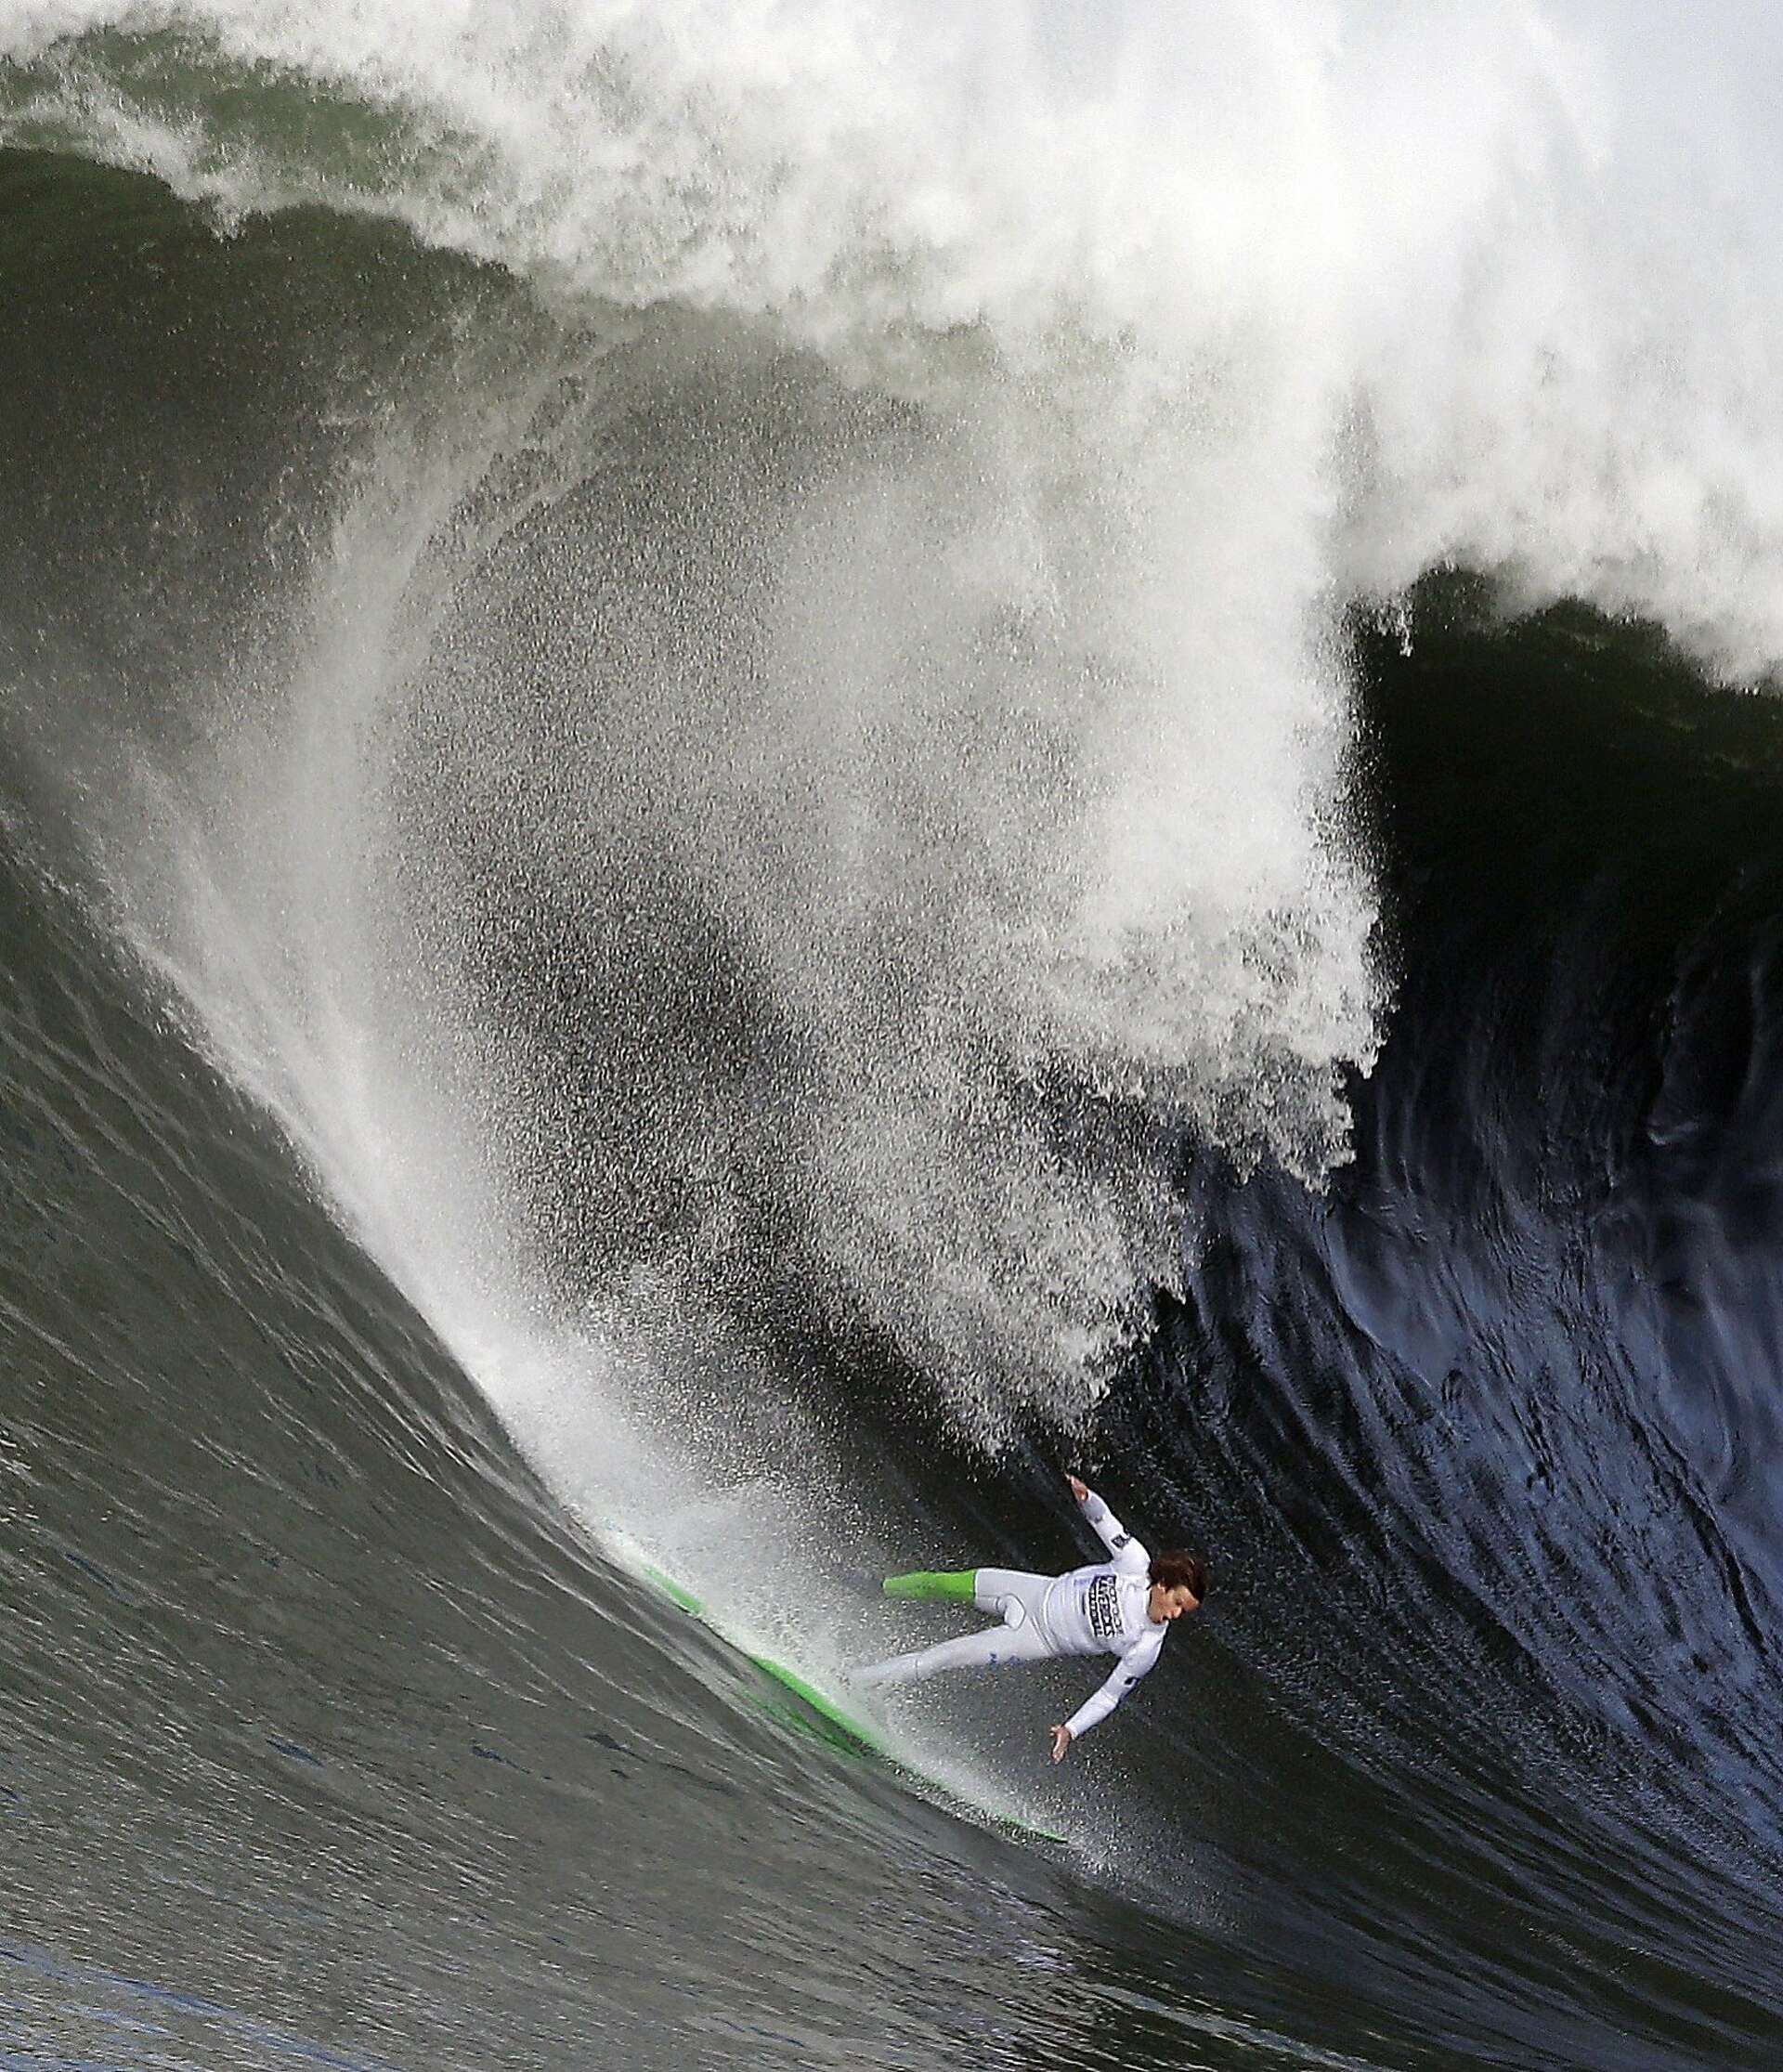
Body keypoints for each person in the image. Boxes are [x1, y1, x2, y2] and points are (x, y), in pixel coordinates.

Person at [852, 1474, 1206, 1762]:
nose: (1174, 1615)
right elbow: (1104, 1520)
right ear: (1162, 1583)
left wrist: (1072, 1729)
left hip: (1035, 1638)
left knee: (943, 1656)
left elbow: (1109, 1696)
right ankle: (875, 1587)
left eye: (1183, 1613)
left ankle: (857, 1682)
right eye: (1177, 1602)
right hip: (1032, 1591)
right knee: (942, 1582)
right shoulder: (1134, 1564)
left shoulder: (1146, 1646)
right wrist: (1086, 1497)